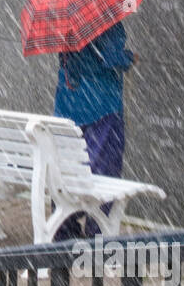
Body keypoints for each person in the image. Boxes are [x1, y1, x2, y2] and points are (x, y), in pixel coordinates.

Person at [53, 20, 136, 238]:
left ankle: (64, 230)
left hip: (68, 102)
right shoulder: (103, 19)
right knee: (103, 168)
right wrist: (129, 58)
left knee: (66, 167)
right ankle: (97, 233)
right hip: (102, 104)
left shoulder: (63, 18)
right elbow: (109, 58)